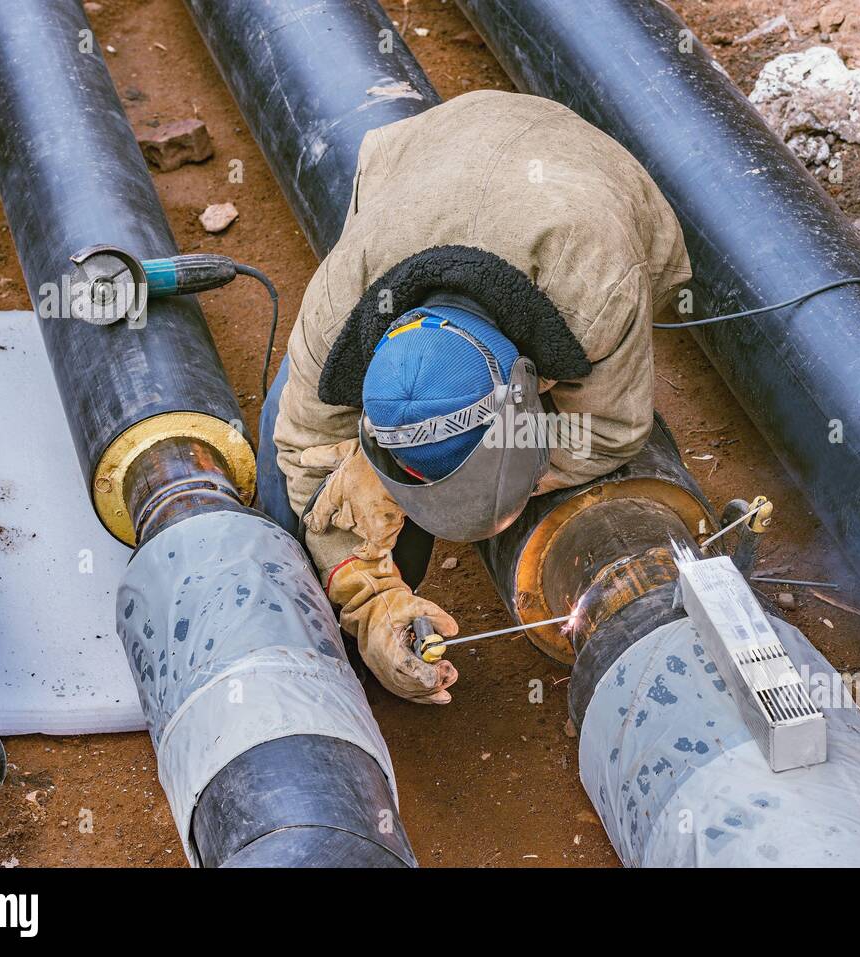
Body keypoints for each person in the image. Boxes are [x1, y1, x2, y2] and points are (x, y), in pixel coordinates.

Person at [257, 89, 691, 704]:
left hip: (582, 173)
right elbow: (306, 454)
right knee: (300, 461)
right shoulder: (337, 315)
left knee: (601, 383)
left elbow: (608, 432)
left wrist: (511, 476)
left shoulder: (598, 286)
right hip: (421, 160)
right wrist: (371, 598)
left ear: (527, 388)